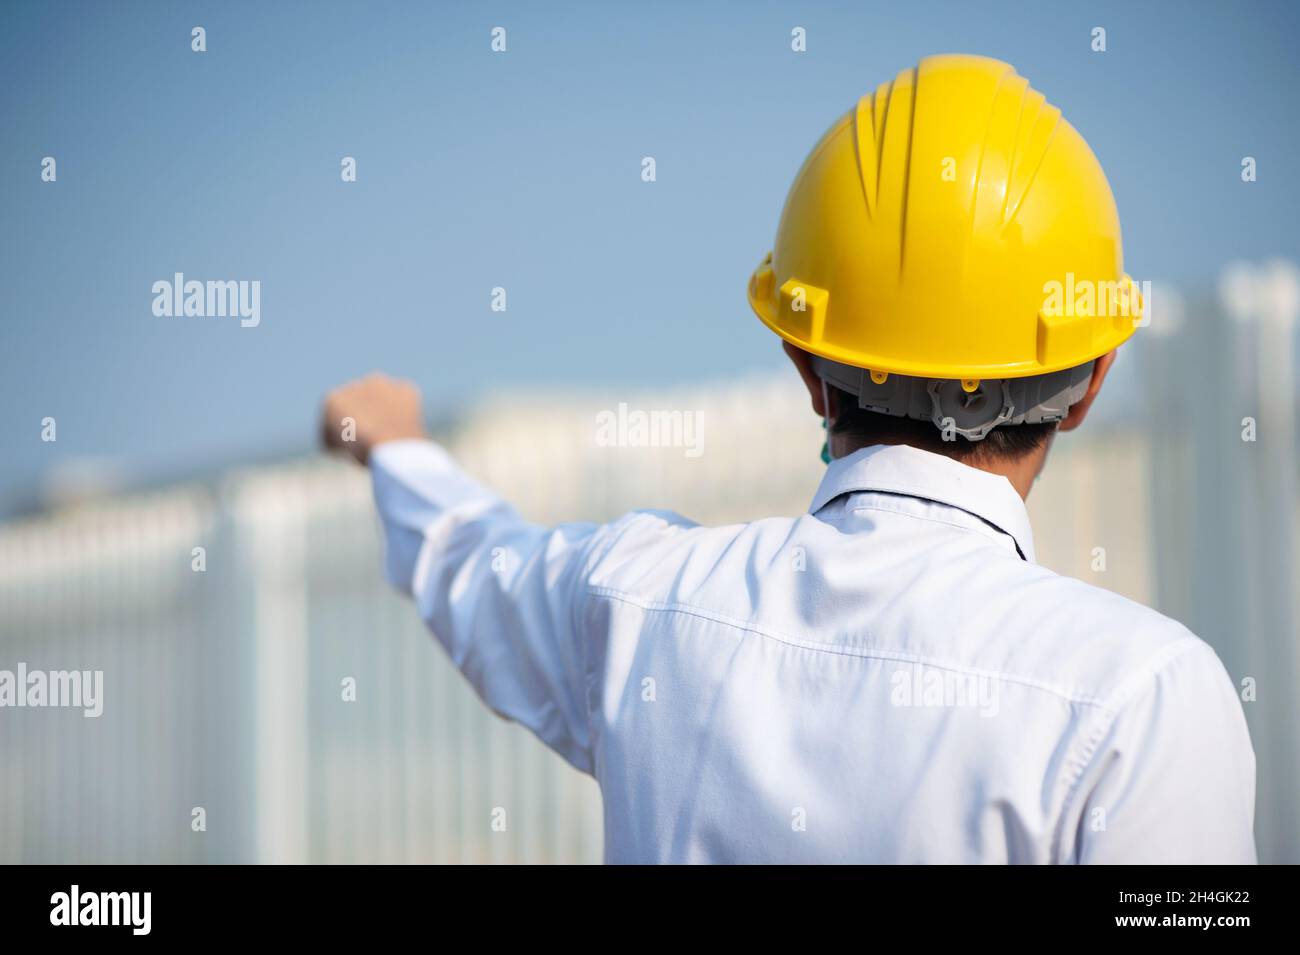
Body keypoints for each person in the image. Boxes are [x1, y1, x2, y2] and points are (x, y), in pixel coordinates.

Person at [321, 55, 1256, 863]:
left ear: (806, 367)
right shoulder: (1144, 700)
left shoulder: (639, 604)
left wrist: (393, 443)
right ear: (1092, 381)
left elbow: (471, 560)